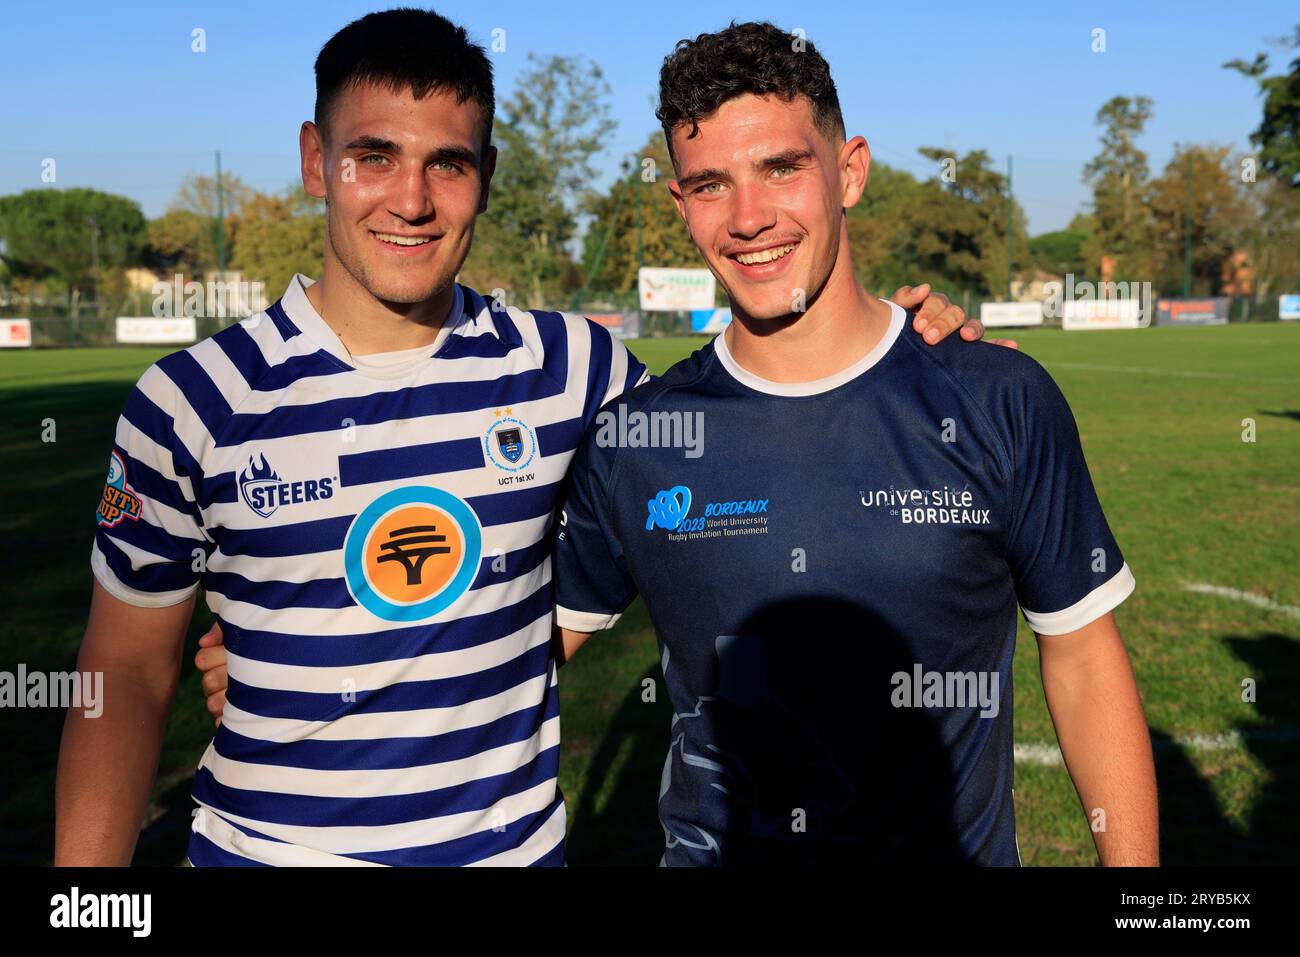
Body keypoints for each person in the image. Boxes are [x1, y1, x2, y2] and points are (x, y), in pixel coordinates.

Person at [55, 9, 981, 867]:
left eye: (447, 164)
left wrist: (908, 346)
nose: (411, 200)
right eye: (373, 156)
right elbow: (128, 674)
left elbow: (751, 408)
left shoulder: (571, 367)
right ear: (315, 158)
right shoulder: (187, 402)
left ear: (485, 177)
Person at [543, 22, 1158, 865]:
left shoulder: (998, 398)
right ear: (680, 205)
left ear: (850, 171)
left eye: (781, 168)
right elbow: (511, 659)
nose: (750, 217)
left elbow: (1084, 653)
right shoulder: (640, 435)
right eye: (712, 184)